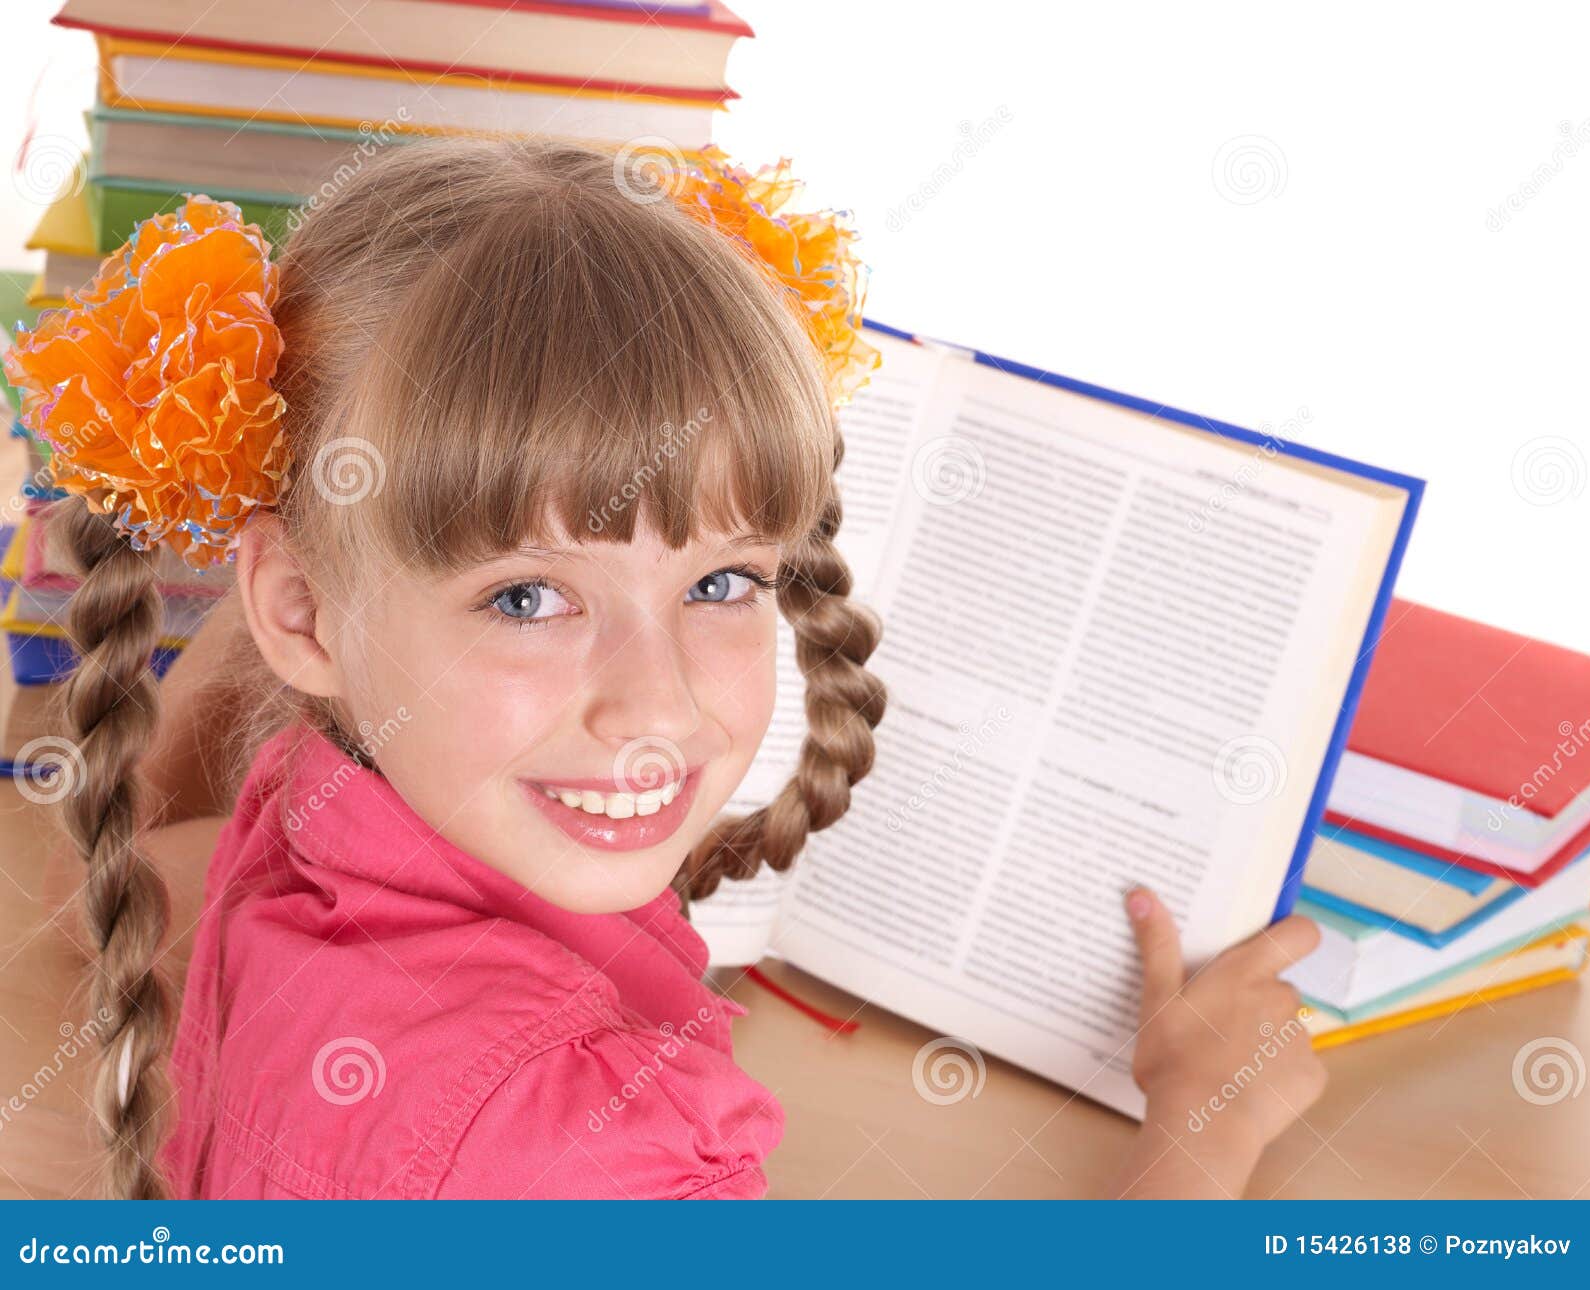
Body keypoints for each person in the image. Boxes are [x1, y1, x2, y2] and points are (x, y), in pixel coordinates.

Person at [4, 135, 1322, 1201]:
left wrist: (330, 567)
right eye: (528, 595)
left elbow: (100, 886)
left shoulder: (311, 794)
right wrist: (1208, 1127)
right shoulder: (585, 1144)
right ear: (297, 613)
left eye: (719, 582)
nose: (661, 702)